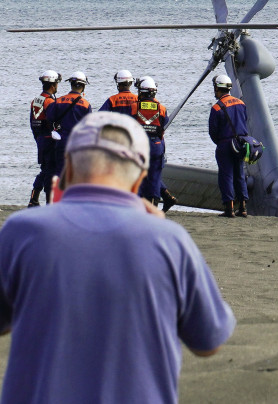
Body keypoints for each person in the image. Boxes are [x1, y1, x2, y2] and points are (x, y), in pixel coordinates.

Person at [0, 112, 235, 404]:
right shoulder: (170, 241)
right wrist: (159, 227)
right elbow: (208, 342)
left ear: (69, 166)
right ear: (139, 180)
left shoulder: (22, 232)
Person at [208, 74, 248, 218]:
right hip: (240, 143)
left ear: (218, 88)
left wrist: (220, 142)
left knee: (226, 176)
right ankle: (243, 207)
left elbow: (213, 131)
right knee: (240, 175)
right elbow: (245, 121)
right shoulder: (241, 103)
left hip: (225, 143)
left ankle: (229, 208)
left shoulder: (217, 108)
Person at [45, 71, 92, 180]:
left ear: (71, 84)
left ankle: (57, 196)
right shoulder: (86, 105)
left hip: (61, 141)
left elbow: (49, 118)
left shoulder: (58, 101)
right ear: (83, 86)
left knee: (59, 173)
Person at [132, 76, 170, 208]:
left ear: (141, 92)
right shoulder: (162, 108)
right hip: (156, 146)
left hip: (140, 146)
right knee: (154, 177)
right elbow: (165, 125)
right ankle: (153, 206)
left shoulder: (134, 107)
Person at [28, 70, 61, 206]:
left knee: (44, 169)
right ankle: (48, 201)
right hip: (49, 140)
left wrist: (38, 138)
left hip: (40, 138)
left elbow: (33, 122)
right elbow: (53, 121)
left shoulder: (36, 100)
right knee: (50, 170)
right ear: (53, 85)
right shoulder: (49, 102)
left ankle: (34, 198)